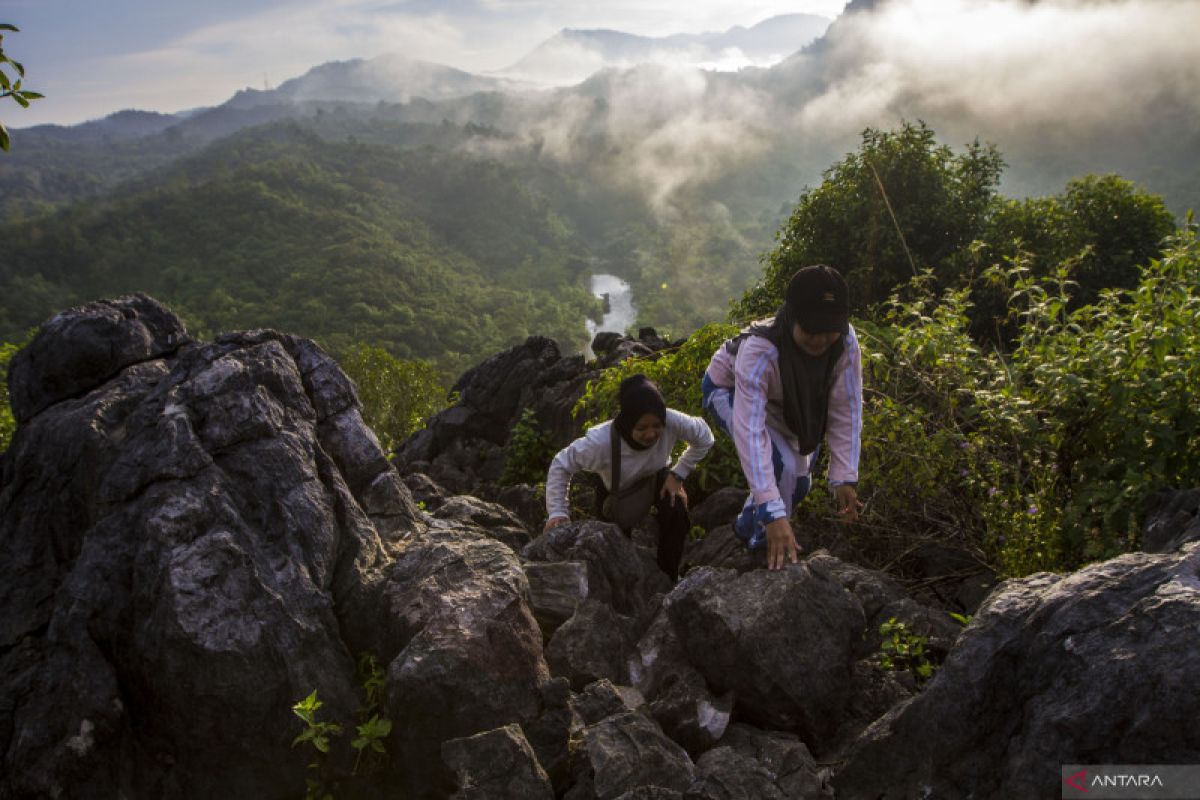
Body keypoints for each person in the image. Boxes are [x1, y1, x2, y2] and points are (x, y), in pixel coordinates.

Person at [702, 264, 863, 570]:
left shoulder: (844, 342)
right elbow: (750, 431)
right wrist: (774, 514)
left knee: (798, 484)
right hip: (726, 390)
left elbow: (847, 407)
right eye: (811, 329)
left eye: (828, 329)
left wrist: (844, 476)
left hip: (787, 405)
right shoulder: (761, 350)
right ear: (791, 316)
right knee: (779, 467)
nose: (819, 339)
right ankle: (762, 545)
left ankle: (747, 524)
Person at [544, 374, 714, 581]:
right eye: (641, 428)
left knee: (676, 509)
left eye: (656, 426)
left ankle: (668, 576)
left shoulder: (671, 420)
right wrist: (557, 511)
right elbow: (561, 464)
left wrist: (678, 474)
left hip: (657, 476)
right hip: (615, 488)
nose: (651, 434)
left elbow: (705, 437)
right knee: (613, 549)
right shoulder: (600, 443)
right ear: (628, 422)